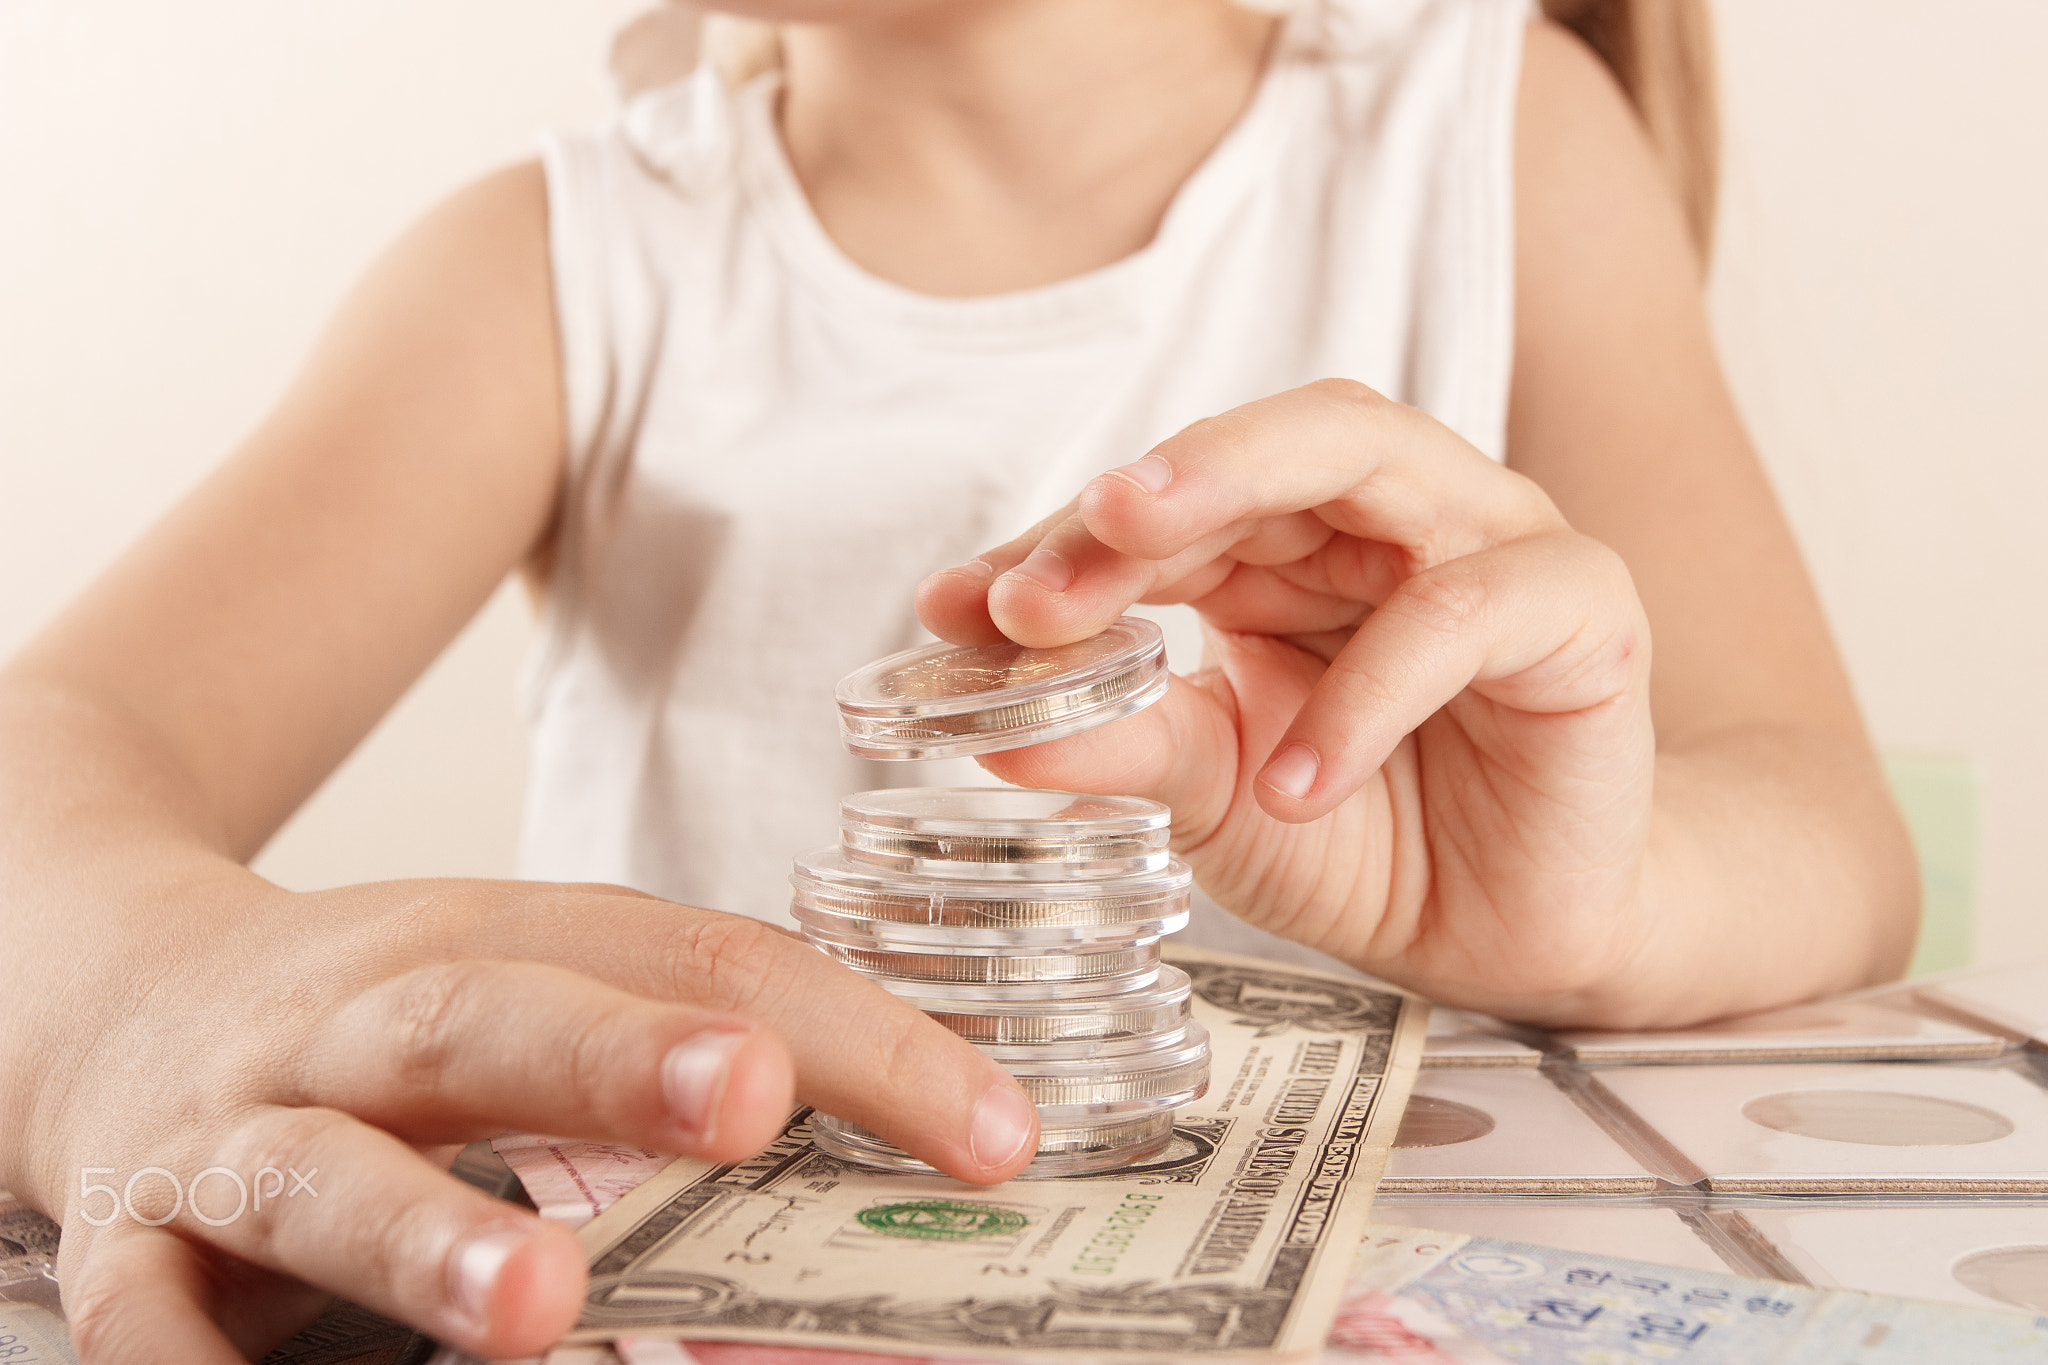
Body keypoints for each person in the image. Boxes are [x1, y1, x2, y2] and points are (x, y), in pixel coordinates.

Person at [0, 0, 1917, 1359]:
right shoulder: (561, 266)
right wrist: (124, 1002)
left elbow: (1828, 819)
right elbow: (52, 757)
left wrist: (1610, 894)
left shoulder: (1500, 131)